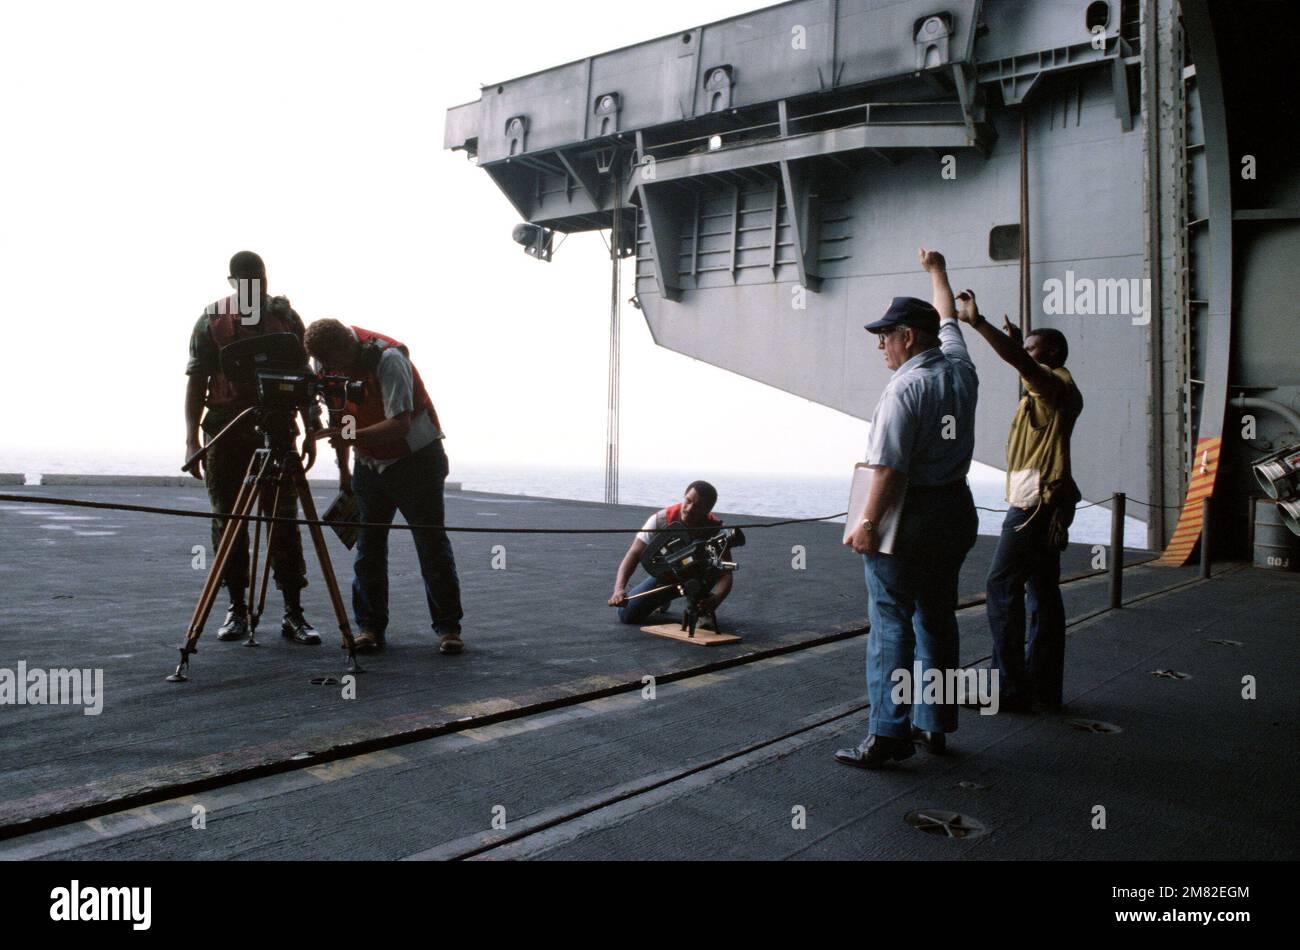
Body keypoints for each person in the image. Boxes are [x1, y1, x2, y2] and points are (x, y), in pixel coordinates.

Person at [836, 247, 979, 769]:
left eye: (885, 335)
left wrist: (867, 523)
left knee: (891, 619)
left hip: (910, 515)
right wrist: (938, 271)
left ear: (908, 338)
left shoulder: (904, 390)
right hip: (955, 512)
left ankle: (888, 734)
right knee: (938, 619)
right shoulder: (961, 370)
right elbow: (947, 318)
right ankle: (935, 723)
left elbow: (891, 469)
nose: (880, 345)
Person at [304, 318, 465, 656]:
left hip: (416, 460)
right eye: (328, 365)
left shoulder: (389, 358)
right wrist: (345, 474)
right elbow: (342, 415)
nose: (335, 370)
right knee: (368, 550)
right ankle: (369, 628)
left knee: (431, 545)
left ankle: (448, 628)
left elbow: (398, 424)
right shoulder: (326, 363)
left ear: (348, 346)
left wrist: (347, 438)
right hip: (368, 465)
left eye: (337, 362)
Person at [184, 251, 321, 645]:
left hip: (278, 426)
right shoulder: (211, 319)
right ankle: (236, 608)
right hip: (225, 431)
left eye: (257, 281)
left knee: (283, 520)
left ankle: (293, 611)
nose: (251, 288)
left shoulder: (287, 318)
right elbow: (196, 381)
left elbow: (304, 377)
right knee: (227, 519)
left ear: (265, 280)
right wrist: (192, 438)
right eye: (244, 281)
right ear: (232, 282)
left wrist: (311, 428)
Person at [957, 298, 1083, 712]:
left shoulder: (1051, 388)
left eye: (1032, 349)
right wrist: (1015, 343)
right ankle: (1043, 687)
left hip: (1033, 504)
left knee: (1001, 584)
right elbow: (1025, 365)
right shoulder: (1062, 389)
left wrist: (979, 324)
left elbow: (1026, 367)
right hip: (1051, 500)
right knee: (1043, 589)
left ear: (1050, 355)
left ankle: (1008, 687)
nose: (1024, 356)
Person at [608, 481, 732, 630]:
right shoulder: (660, 520)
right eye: (688, 501)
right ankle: (662, 599)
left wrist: (717, 598)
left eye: (697, 506)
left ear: (708, 510)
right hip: (667, 577)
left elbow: (726, 571)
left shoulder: (715, 530)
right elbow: (634, 554)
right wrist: (618, 589)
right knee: (626, 614)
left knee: (708, 559)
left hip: (697, 578)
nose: (689, 509)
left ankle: (702, 608)